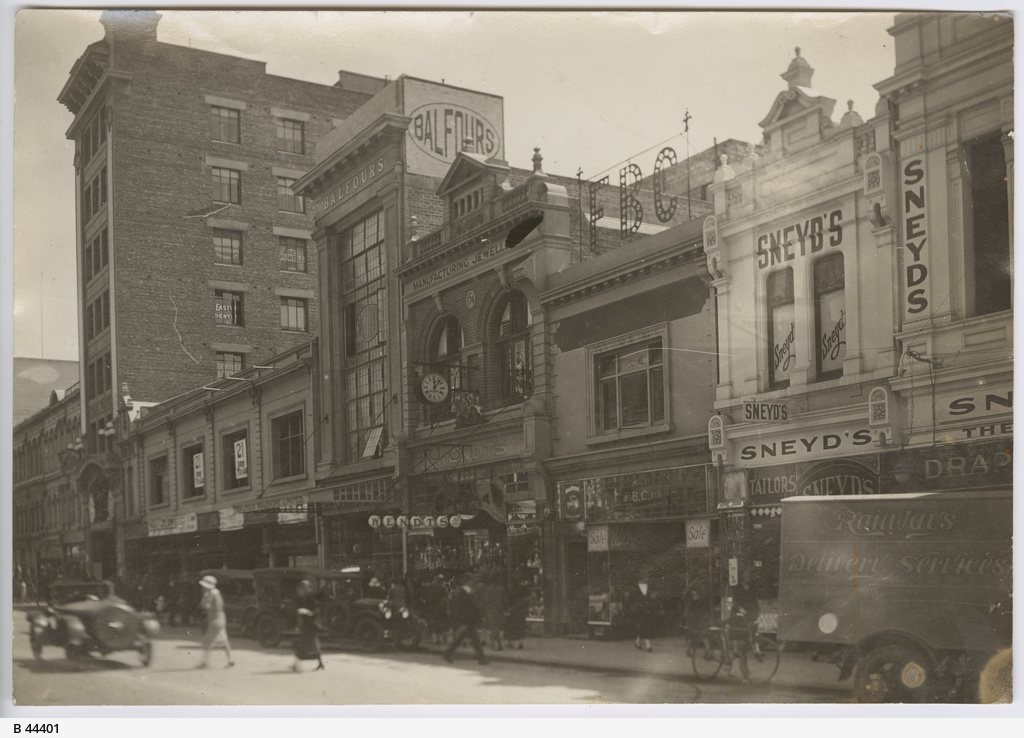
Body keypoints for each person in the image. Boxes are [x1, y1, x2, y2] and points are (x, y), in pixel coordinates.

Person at [442, 573, 488, 665]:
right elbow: (466, 607)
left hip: (468, 619)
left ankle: (448, 653)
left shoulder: (467, 592)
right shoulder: (463, 593)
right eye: (471, 581)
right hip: (467, 619)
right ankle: (481, 658)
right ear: (467, 582)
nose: (473, 582)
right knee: (473, 639)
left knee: (465, 638)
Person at [197, 574, 233, 669]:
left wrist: (205, 604)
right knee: (224, 640)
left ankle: (205, 662)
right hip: (220, 618)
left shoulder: (211, 594)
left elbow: (209, 606)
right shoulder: (216, 593)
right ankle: (230, 660)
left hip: (214, 620)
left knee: (209, 641)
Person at [292, 579, 325, 672]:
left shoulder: (310, 598)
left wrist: (307, 612)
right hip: (307, 624)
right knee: (310, 644)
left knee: (304, 644)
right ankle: (320, 663)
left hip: (310, 624)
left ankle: (296, 664)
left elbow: (315, 610)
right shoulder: (303, 597)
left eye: (302, 588)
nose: (300, 590)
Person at [628, 578, 659, 652]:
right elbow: (631, 601)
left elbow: (652, 598)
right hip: (639, 612)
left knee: (642, 626)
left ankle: (637, 643)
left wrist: (653, 598)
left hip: (647, 611)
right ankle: (648, 645)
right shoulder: (635, 590)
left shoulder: (648, 588)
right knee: (644, 626)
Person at [481, 571, 508, 651]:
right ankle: (493, 644)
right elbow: (505, 601)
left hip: (491, 611)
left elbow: (486, 601)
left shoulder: (489, 589)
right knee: (497, 629)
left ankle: (499, 645)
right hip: (500, 611)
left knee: (494, 629)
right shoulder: (501, 589)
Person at [504, 575, 529, 650]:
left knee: (510, 627)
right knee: (520, 627)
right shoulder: (522, 590)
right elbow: (524, 601)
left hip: (513, 612)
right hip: (520, 611)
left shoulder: (510, 591)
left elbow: (507, 602)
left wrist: (509, 609)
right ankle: (520, 643)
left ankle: (510, 643)